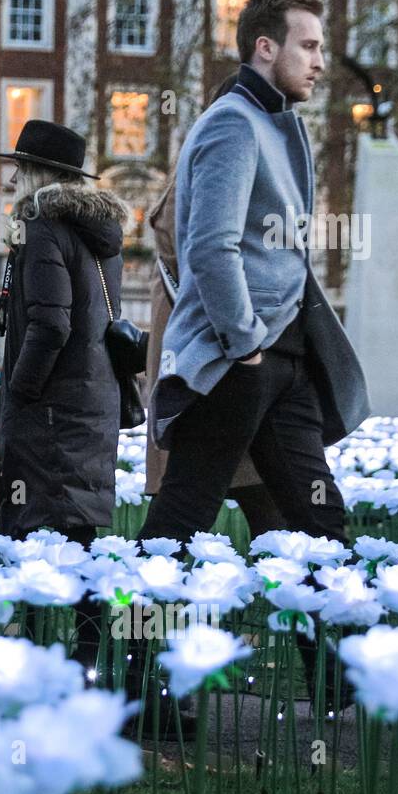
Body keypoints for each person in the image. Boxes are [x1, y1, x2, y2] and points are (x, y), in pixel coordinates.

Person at [139, 0, 369, 549]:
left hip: (286, 363)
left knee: (321, 523)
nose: (318, 62)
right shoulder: (233, 124)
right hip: (238, 362)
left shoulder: (278, 123)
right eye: (308, 47)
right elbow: (212, 248)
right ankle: (103, 635)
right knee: (181, 520)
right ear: (265, 48)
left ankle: (337, 640)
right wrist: (245, 346)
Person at [0, 118, 127, 665]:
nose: (12, 177)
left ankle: (35, 654)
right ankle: (88, 658)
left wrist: (20, 391)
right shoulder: (96, 234)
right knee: (79, 536)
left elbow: (51, 325)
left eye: (18, 166)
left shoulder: (40, 225)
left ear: (33, 173)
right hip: (89, 404)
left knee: (31, 532)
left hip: (48, 410)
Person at [144, 72, 287, 541]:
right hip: (216, 358)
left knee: (197, 508)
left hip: (214, 355)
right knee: (266, 506)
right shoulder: (223, 159)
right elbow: (208, 260)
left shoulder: (209, 165)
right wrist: (247, 341)